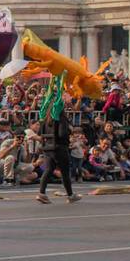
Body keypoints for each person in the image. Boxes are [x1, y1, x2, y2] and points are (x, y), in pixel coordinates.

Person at [35, 76, 78, 204]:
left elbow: (39, 133)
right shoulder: (60, 118)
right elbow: (62, 133)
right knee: (65, 172)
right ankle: (70, 196)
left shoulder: (44, 118)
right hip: (60, 147)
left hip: (48, 147)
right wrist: (69, 132)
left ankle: (42, 193)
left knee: (49, 170)